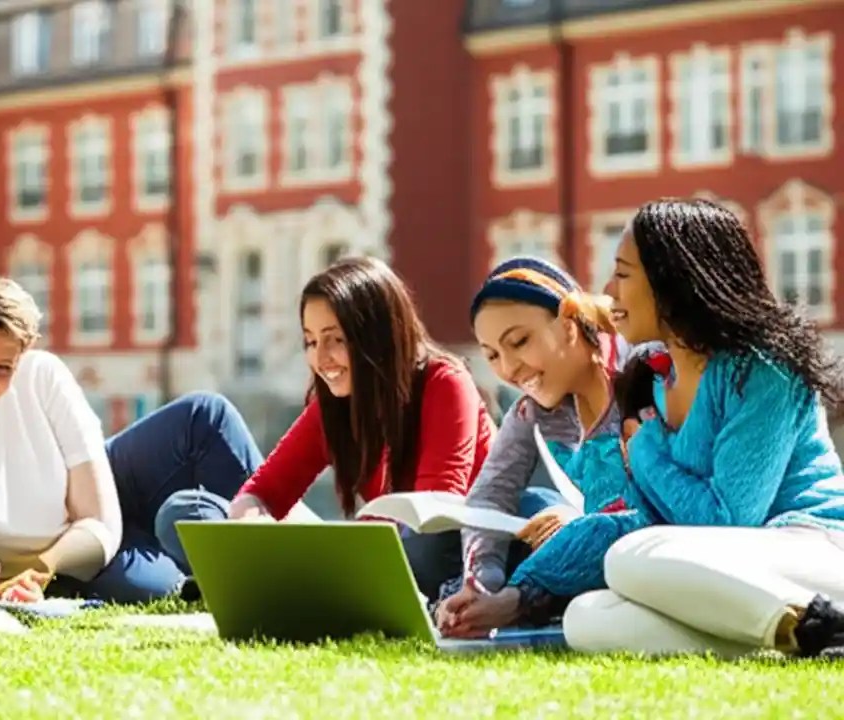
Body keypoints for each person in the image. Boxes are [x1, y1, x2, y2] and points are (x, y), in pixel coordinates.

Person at [556, 198, 844, 658]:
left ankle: (810, 621)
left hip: (814, 546)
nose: (608, 289)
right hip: (730, 573)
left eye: (624, 274)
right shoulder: (654, 378)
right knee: (588, 616)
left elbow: (727, 520)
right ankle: (799, 637)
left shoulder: (762, 369)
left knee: (629, 557)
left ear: (673, 282)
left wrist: (646, 446)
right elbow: (653, 516)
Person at [0, 273, 264, 604]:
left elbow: (98, 518)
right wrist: (34, 574)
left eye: (2, 368)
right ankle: (209, 561)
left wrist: (40, 568)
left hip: (102, 500)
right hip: (72, 555)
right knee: (156, 590)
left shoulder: (42, 376)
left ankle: (295, 555)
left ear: (22, 359)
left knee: (204, 416)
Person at [159, 256, 496, 602]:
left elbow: (433, 513)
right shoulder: (334, 404)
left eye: (335, 339)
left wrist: (342, 549)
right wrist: (251, 525)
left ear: (376, 335)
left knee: (426, 546)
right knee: (183, 511)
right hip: (369, 552)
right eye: (310, 341)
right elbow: (263, 489)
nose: (321, 359)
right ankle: (303, 579)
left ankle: (283, 580)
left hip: (448, 547)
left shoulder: (445, 383)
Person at [436, 256, 654, 637]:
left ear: (569, 326)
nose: (508, 369)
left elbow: (660, 506)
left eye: (519, 342)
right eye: (492, 355)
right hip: (592, 555)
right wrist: (481, 581)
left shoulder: (644, 379)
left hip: (651, 546)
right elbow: (489, 498)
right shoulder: (531, 412)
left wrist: (577, 527)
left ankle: (521, 599)